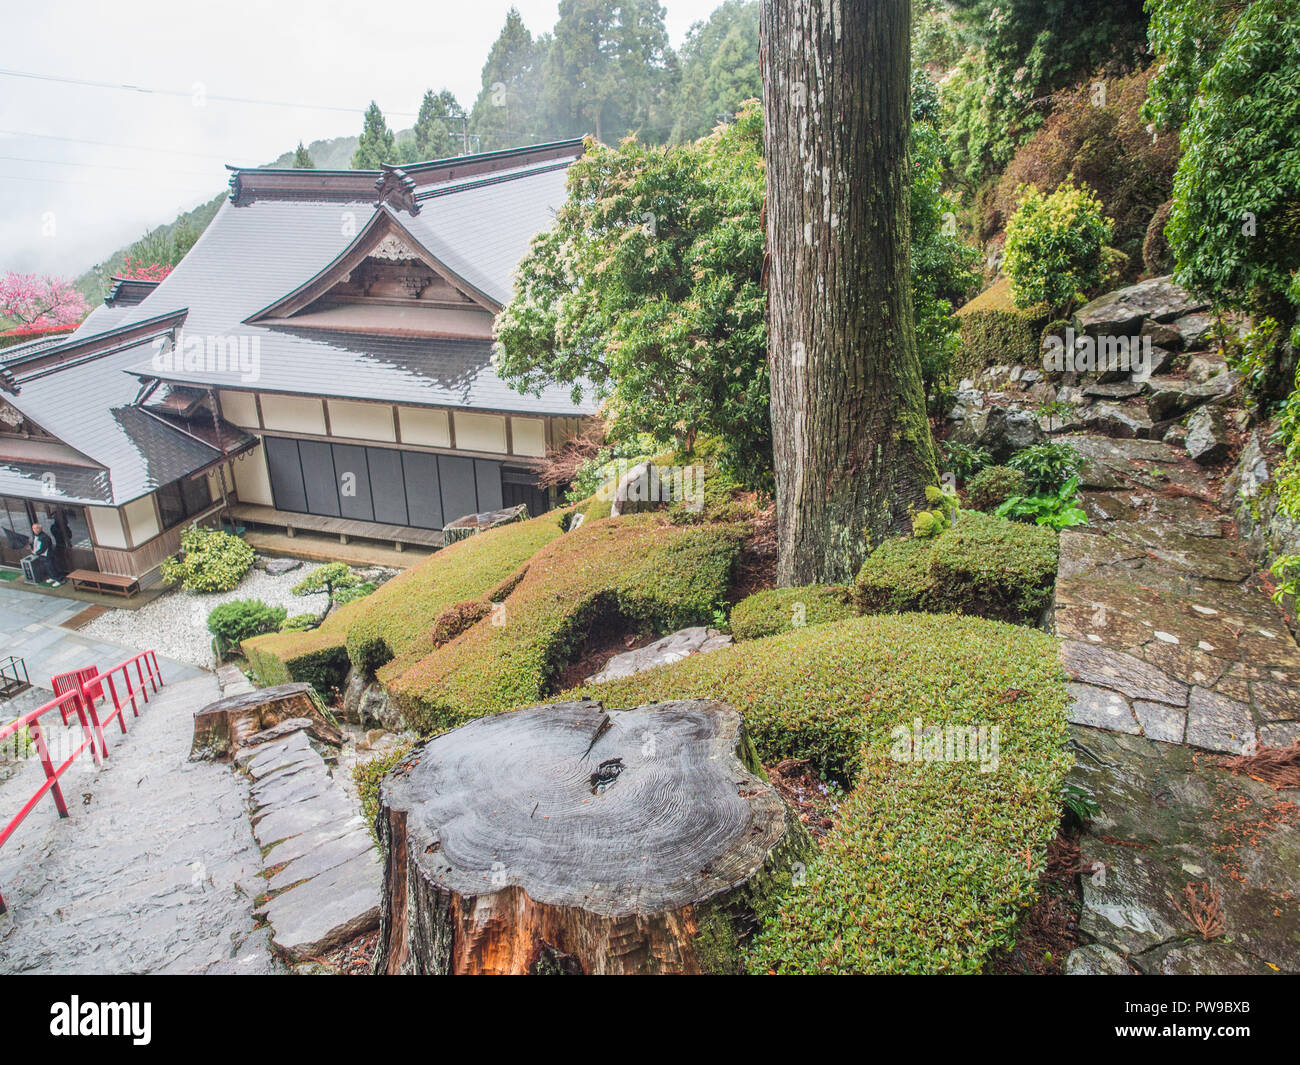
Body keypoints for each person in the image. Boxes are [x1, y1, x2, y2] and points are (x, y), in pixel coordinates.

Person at [30, 522, 63, 587]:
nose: (35, 530)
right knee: (47, 568)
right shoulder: (36, 536)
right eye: (33, 528)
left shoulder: (45, 537)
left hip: (47, 555)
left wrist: (36, 553)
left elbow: (43, 548)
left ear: (40, 529)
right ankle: (52, 577)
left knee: (52, 567)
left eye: (37, 528)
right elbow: (35, 544)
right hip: (42, 556)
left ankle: (58, 579)